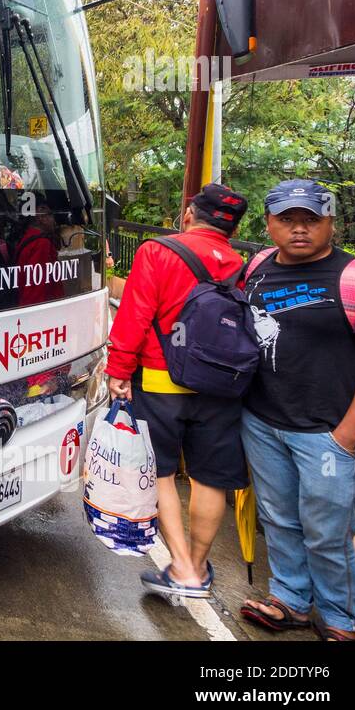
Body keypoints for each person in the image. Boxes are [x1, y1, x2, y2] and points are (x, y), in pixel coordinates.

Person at [237, 180, 355, 640]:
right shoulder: (257, 267)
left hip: (329, 431)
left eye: (311, 220)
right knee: (278, 518)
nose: (299, 229)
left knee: (328, 531)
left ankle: (341, 621)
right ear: (269, 224)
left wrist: (346, 438)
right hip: (263, 421)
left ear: (330, 223)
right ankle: (291, 600)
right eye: (288, 220)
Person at [105, 182, 249, 598]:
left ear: (189, 214)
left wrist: (118, 371)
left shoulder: (158, 251)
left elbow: (134, 315)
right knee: (209, 479)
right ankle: (200, 566)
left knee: (162, 474)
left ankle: (182, 567)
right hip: (222, 386)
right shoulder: (240, 262)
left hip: (161, 378)